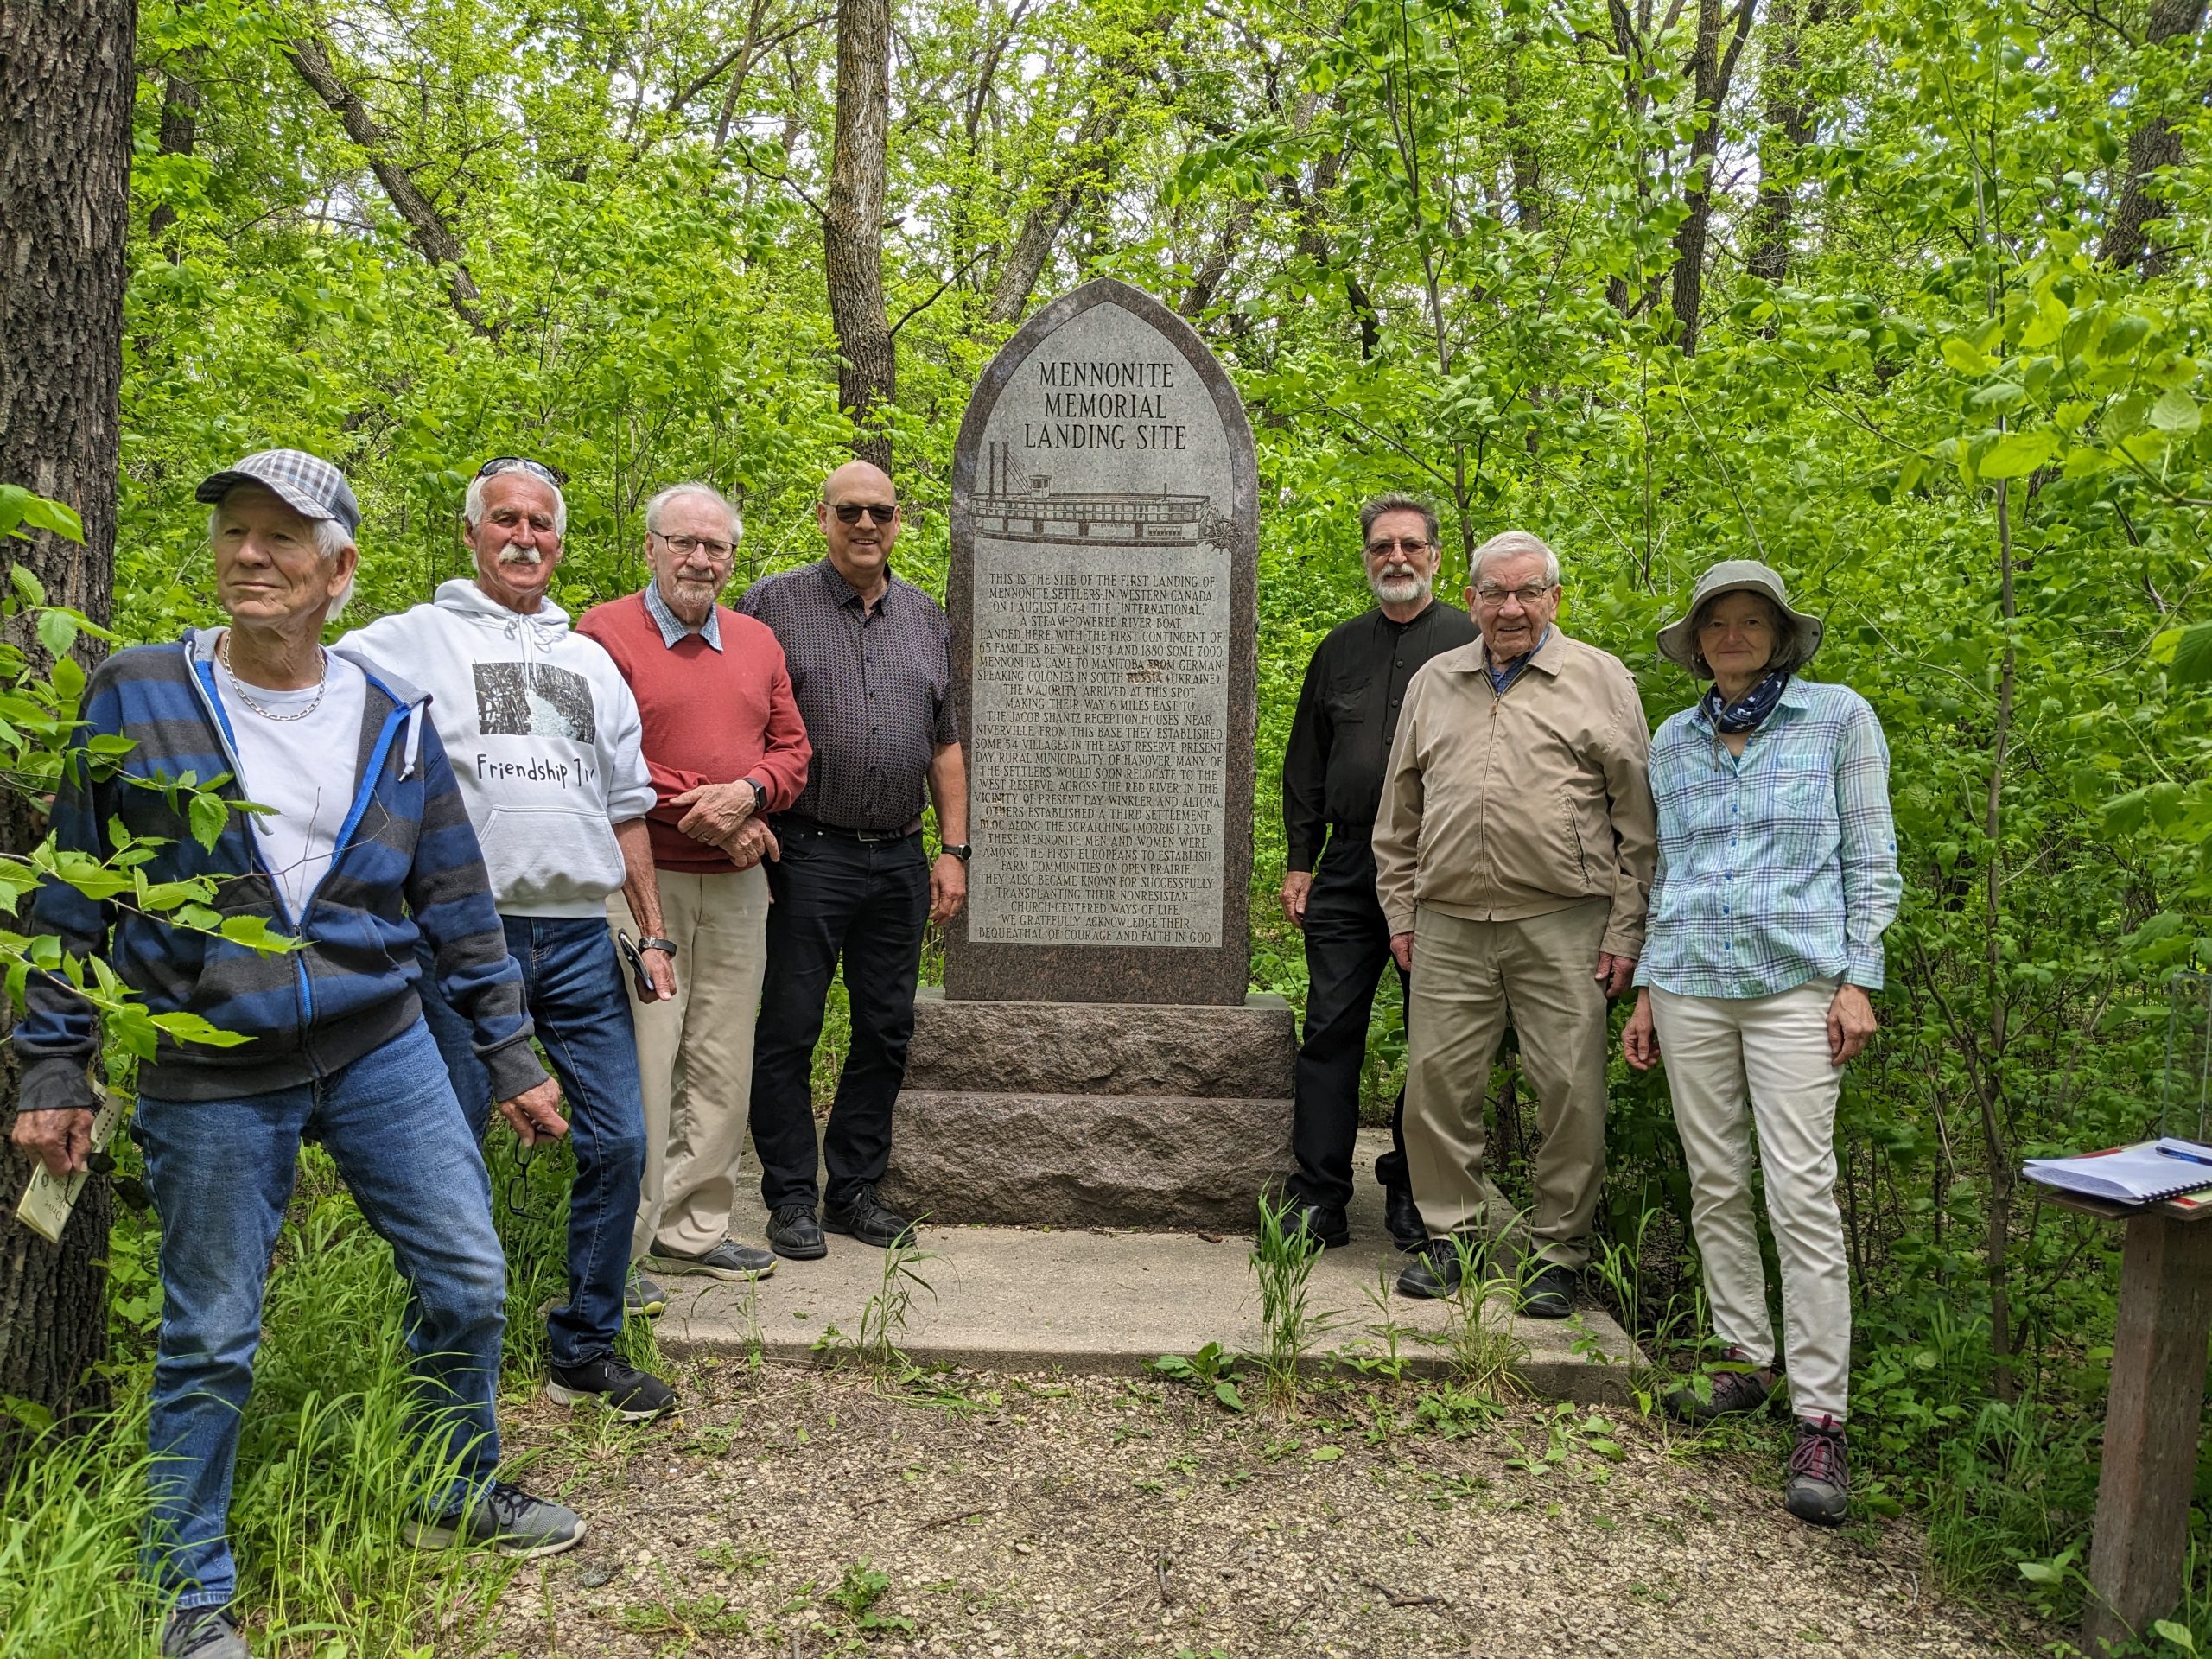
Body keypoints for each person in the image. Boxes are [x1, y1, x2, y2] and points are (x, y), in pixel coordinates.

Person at [8, 451, 582, 1659]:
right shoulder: (140, 692)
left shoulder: (390, 717)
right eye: (235, 532)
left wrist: (512, 1053)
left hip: (382, 1046)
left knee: (471, 1279)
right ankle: (187, 1587)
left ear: (340, 570)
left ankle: (451, 1481)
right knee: (213, 1329)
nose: (249, 555)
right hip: (212, 1067)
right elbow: (68, 898)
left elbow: (456, 902)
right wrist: (56, 1068)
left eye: (281, 537)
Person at [340, 456, 679, 1422]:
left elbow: (625, 813)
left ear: (559, 542)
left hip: (578, 937)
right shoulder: (406, 643)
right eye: (505, 521)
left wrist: (650, 933)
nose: (524, 538)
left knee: (619, 1142)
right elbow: (310, 701)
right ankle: (453, 1368)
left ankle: (586, 1344)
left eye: (540, 524)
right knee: (450, 1159)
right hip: (458, 940)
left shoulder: (590, 665)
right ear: (472, 533)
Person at [1622, 559, 1899, 1527]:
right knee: (1713, 1178)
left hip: (1795, 984)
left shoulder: (1837, 718)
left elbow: (1870, 851)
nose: (1732, 635)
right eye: (1716, 623)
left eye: (1751, 621)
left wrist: (1857, 977)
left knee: (1801, 1190)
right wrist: (1648, 989)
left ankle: (1821, 1414)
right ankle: (1743, 1357)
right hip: (1691, 978)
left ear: (1779, 635)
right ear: (1696, 642)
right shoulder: (1674, 738)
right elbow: (1668, 871)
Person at [1372, 530, 1655, 1315]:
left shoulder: (1599, 680)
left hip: (1565, 921)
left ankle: (1557, 1254)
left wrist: (1625, 931)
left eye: (1529, 591)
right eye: (1494, 592)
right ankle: (1450, 1235)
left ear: (1555, 599)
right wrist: (1403, 907)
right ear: (1470, 600)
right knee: (1436, 1087)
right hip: (1448, 922)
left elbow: (1638, 823)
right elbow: (1399, 814)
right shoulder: (1436, 681)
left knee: (1569, 1090)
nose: (1511, 608)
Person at [578, 483, 811, 1287]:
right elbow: (603, 759)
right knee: (648, 1057)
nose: (698, 559)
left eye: (714, 548)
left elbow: (792, 751)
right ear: (651, 546)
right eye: (683, 543)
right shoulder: (603, 634)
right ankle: (625, 1247)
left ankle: (695, 1230)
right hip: (644, 879)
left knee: (722, 1057)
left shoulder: (758, 642)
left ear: (732, 559)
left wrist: (748, 797)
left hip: (740, 888)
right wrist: (704, 806)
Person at [739, 460, 969, 1261]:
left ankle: (855, 1191)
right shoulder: (771, 604)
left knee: (885, 1029)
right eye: (849, 512)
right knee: (791, 1029)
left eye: (880, 512)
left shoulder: (927, 617)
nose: (865, 525)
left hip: (900, 858)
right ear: (823, 517)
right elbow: (742, 722)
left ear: (899, 520)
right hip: (807, 852)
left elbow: (946, 743)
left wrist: (953, 849)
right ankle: (791, 1197)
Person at [1280, 494, 1478, 1251]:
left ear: (1435, 556)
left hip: (1444, 865)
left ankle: (1413, 1189)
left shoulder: (1470, 642)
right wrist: (1300, 858)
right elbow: (1306, 759)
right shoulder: (1338, 649)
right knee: (1330, 1028)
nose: (1396, 558)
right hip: (1349, 863)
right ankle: (1318, 1194)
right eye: (1381, 548)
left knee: (1436, 1036)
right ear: (1367, 558)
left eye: (1410, 546)